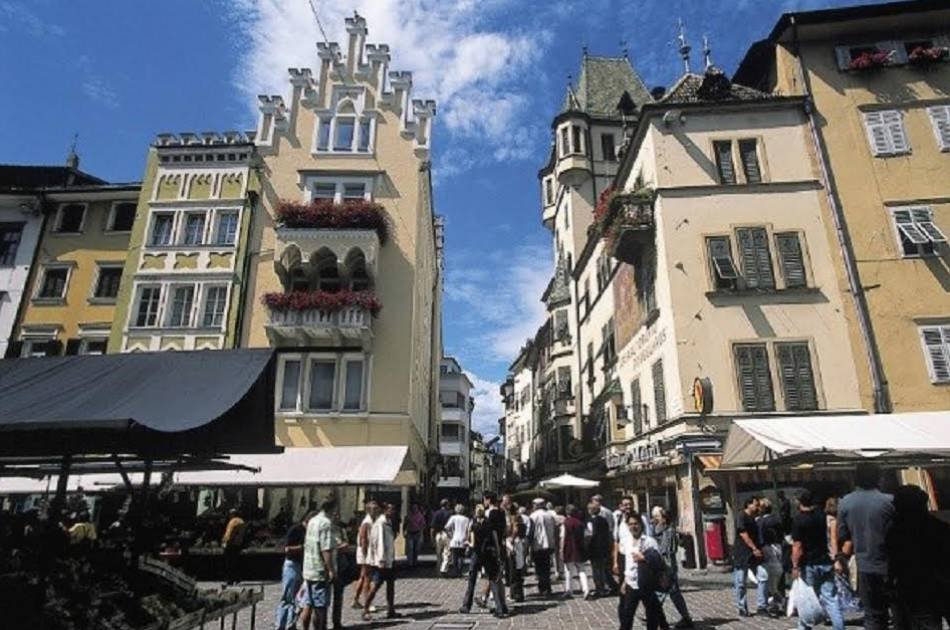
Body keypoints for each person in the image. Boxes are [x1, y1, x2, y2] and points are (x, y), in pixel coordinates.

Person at [836, 463, 894, 630]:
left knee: (873, 615)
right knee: (899, 611)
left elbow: (842, 536)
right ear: (878, 478)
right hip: (890, 564)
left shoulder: (845, 503)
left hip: (864, 566)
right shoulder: (889, 501)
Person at [887, 484, 950, 629]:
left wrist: (890, 584)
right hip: (942, 586)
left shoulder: (896, 533)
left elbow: (893, 563)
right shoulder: (941, 528)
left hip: (916, 590)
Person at [791, 490, 844, 630]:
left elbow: (797, 546)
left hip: (808, 563)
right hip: (825, 560)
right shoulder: (822, 516)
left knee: (807, 599)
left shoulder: (798, 520)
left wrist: (795, 565)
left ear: (799, 501)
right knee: (831, 600)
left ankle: (804, 627)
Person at [460, 505, 508, 617]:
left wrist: (467, 544)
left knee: (472, 581)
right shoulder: (489, 524)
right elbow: (495, 539)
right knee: (493, 580)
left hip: (476, 554)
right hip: (488, 554)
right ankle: (499, 608)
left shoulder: (473, 525)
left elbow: (472, 543)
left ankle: (466, 605)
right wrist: (498, 553)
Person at [617, 512, 662, 630]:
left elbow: (658, 561)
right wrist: (624, 582)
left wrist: (644, 558)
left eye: (636, 524)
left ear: (641, 525)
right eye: (630, 524)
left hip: (646, 583)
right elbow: (628, 565)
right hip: (631, 584)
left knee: (652, 616)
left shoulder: (649, 541)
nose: (633, 527)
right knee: (626, 616)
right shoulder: (626, 542)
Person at [300, 498, 338, 630]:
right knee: (320, 607)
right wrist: (331, 570)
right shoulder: (326, 523)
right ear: (332, 508)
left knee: (309, 604)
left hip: (308, 568)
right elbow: (325, 549)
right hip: (319, 571)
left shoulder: (312, 521)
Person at [653, 507, 693, 628]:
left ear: (664, 519)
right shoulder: (662, 530)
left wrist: (665, 569)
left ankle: (654, 614)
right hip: (667, 565)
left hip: (668, 565)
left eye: (658, 517)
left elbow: (666, 551)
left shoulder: (669, 531)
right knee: (673, 593)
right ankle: (685, 617)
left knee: (664, 592)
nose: (655, 519)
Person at [362, 502, 398, 621]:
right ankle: (365, 609)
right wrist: (381, 559)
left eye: (393, 510)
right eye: (390, 510)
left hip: (389, 559)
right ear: (385, 510)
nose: (392, 512)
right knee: (376, 585)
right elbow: (379, 542)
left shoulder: (388, 522)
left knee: (391, 586)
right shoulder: (380, 523)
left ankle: (391, 609)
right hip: (381, 561)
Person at [731, 497, 767, 617]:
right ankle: (742, 607)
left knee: (762, 576)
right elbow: (744, 535)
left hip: (754, 554)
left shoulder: (754, 518)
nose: (757, 508)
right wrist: (754, 548)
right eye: (755, 505)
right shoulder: (741, 517)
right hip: (742, 553)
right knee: (741, 581)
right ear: (748, 505)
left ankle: (762, 605)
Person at [274, 512, 310, 630]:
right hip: (292, 565)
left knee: (298, 598)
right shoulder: (296, 529)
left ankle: (291, 624)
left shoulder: (310, 531)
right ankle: (281, 624)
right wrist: (303, 547)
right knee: (288, 597)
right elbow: (287, 549)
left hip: (302, 566)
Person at [756, 497, 785, 612]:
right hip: (777, 546)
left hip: (767, 548)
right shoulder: (776, 520)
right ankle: (778, 599)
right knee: (778, 575)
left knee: (768, 576)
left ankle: (772, 598)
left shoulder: (760, 521)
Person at [350, 500, 377, 610]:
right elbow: (363, 539)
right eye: (374, 509)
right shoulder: (367, 522)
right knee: (367, 578)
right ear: (369, 510)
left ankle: (355, 599)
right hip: (365, 553)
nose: (376, 511)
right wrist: (366, 555)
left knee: (362, 577)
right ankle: (367, 602)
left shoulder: (372, 521)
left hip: (367, 552)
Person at [561, 505, 590, 599]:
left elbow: (563, 537)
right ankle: (586, 589)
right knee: (582, 570)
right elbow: (586, 536)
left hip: (568, 548)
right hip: (579, 548)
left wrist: (561, 550)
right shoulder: (580, 523)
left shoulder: (565, 523)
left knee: (568, 570)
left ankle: (569, 590)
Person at [529, 497, 556, 596]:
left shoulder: (533, 516)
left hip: (538, 544)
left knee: (539, 567)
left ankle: (542, 587)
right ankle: (547, 587)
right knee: (547, 567)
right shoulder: (549, 515)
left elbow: (531, 531)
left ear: (536, 505)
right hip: (548, 544)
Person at [587, 500, 612, 597]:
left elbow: (590, 535)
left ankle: (599, 587)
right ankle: (604, 586)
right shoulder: (603, 520)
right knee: (602, 568)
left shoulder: (591, 521)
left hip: (595, 548)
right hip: (604, 547)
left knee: (596, 569)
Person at [221, 508, 246, 586]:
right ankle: (237, 579)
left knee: (229, 562)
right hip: (238, 545)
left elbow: (229, 533)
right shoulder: (242, 521)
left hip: (231, 544)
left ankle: (230, 580)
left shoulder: (233, 522)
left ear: (232, 514)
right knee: (236, 562)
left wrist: (224, 542)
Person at [444, 503, 471, 577]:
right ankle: (460, 571)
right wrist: (467, 539)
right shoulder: (466, 519)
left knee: (455, 557)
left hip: (454, 538)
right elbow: (468, 530)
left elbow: (446, 527)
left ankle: (455, 572)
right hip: (463, 539)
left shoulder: (453, 517)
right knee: (461, 557)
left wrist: (450, 535)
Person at [507, 512, 527, 602]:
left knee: (513, 575)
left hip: (514, 552)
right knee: (518, 574)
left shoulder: (516, 530)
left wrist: (510, 540)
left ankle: (514, 594)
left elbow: (512, 539)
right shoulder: (523, 527)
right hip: (520, 552)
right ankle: (519, 594)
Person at [430, 499, 452, 576]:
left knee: (438, 553)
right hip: (447, 534)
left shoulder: (436, 513)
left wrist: (432, 538)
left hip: (438, 534)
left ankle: (438, 570)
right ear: (447, 505)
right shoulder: (449, 514)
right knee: (446, 553)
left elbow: (432, 527)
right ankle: (444, 569)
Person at [402, 503, 426, 568]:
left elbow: (423, 525)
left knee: (416, 549)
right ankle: (410, 563)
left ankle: (415, 562)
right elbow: (405, 524)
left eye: (415, 507)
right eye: (413, 507)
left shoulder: (420, 516)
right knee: (410, 548)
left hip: (417, 533)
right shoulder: (408, 516)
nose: (414, 509)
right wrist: (403, 532)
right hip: (410, 533)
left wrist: (421, 532)